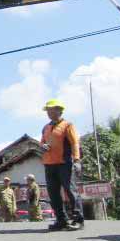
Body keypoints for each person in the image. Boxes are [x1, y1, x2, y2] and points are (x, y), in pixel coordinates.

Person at [40, 99, 84, 231]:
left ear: (59, 111)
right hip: (49, 164)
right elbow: (41, 142)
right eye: (48, 110)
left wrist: (77, 160)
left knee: (71, 191)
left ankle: (78, 220)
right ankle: (61, 220)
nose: (49, 113)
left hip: (64, 164)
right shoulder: (46, 128)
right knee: (53, 194)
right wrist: (43, 145)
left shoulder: (67, 125)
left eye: (51, 110)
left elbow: (74, 143)